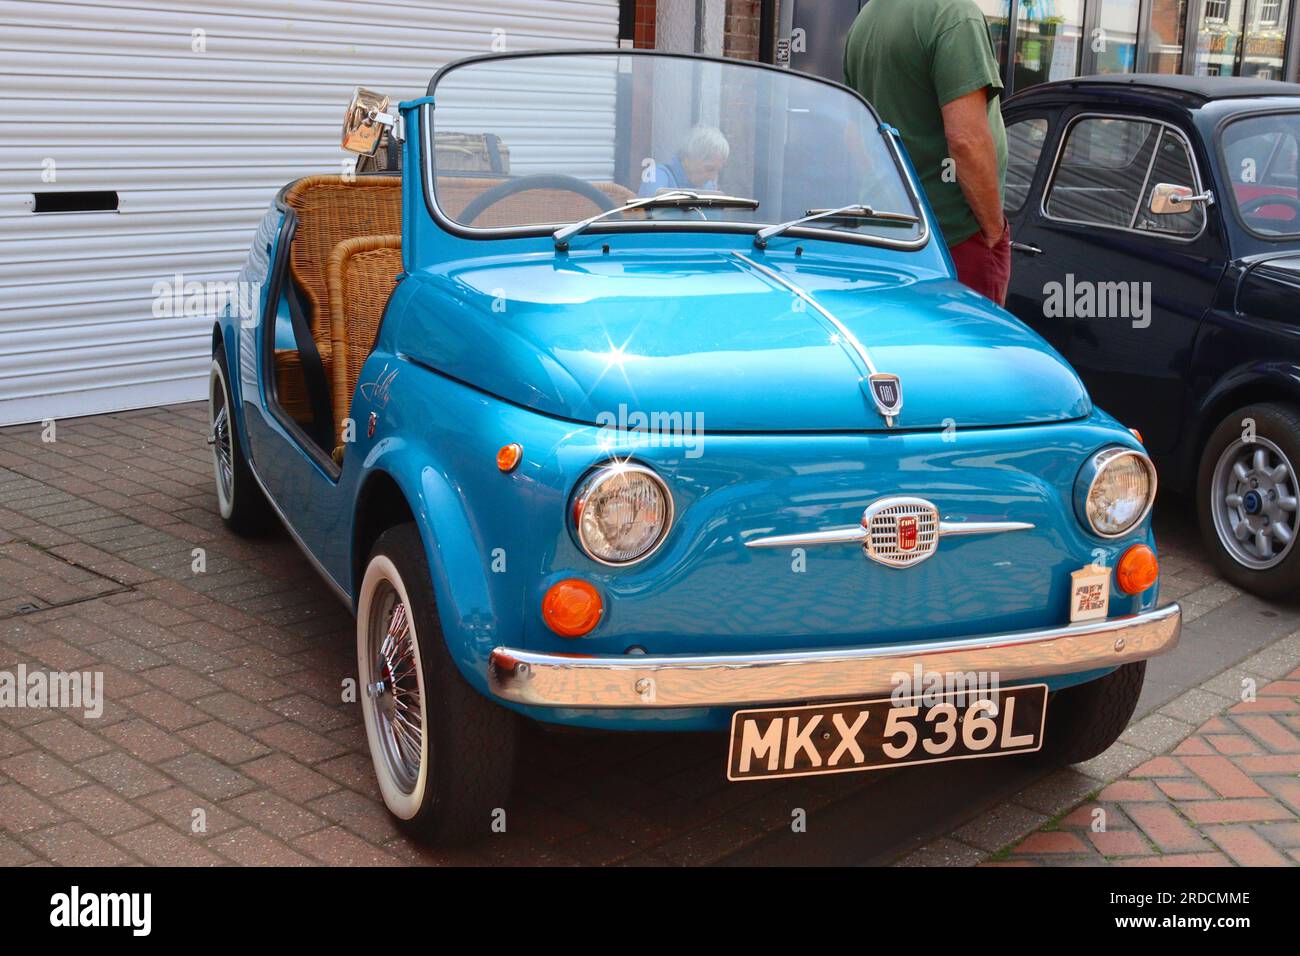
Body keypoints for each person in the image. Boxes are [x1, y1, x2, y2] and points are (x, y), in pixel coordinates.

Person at [843, 0, 1011, 304]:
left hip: (884, 229)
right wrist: (994, 231)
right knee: (972, 347)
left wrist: (888, 192)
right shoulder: (955, 15)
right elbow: (966, 141)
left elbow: (854, 133)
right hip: (953, 238)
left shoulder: (866, 20)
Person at [639, 126, 730, 197]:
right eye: (709, 169)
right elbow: (649, 217)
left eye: (717, 171)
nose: (713, 178)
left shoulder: (708, 186)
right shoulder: (657, 176)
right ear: (689, 157)